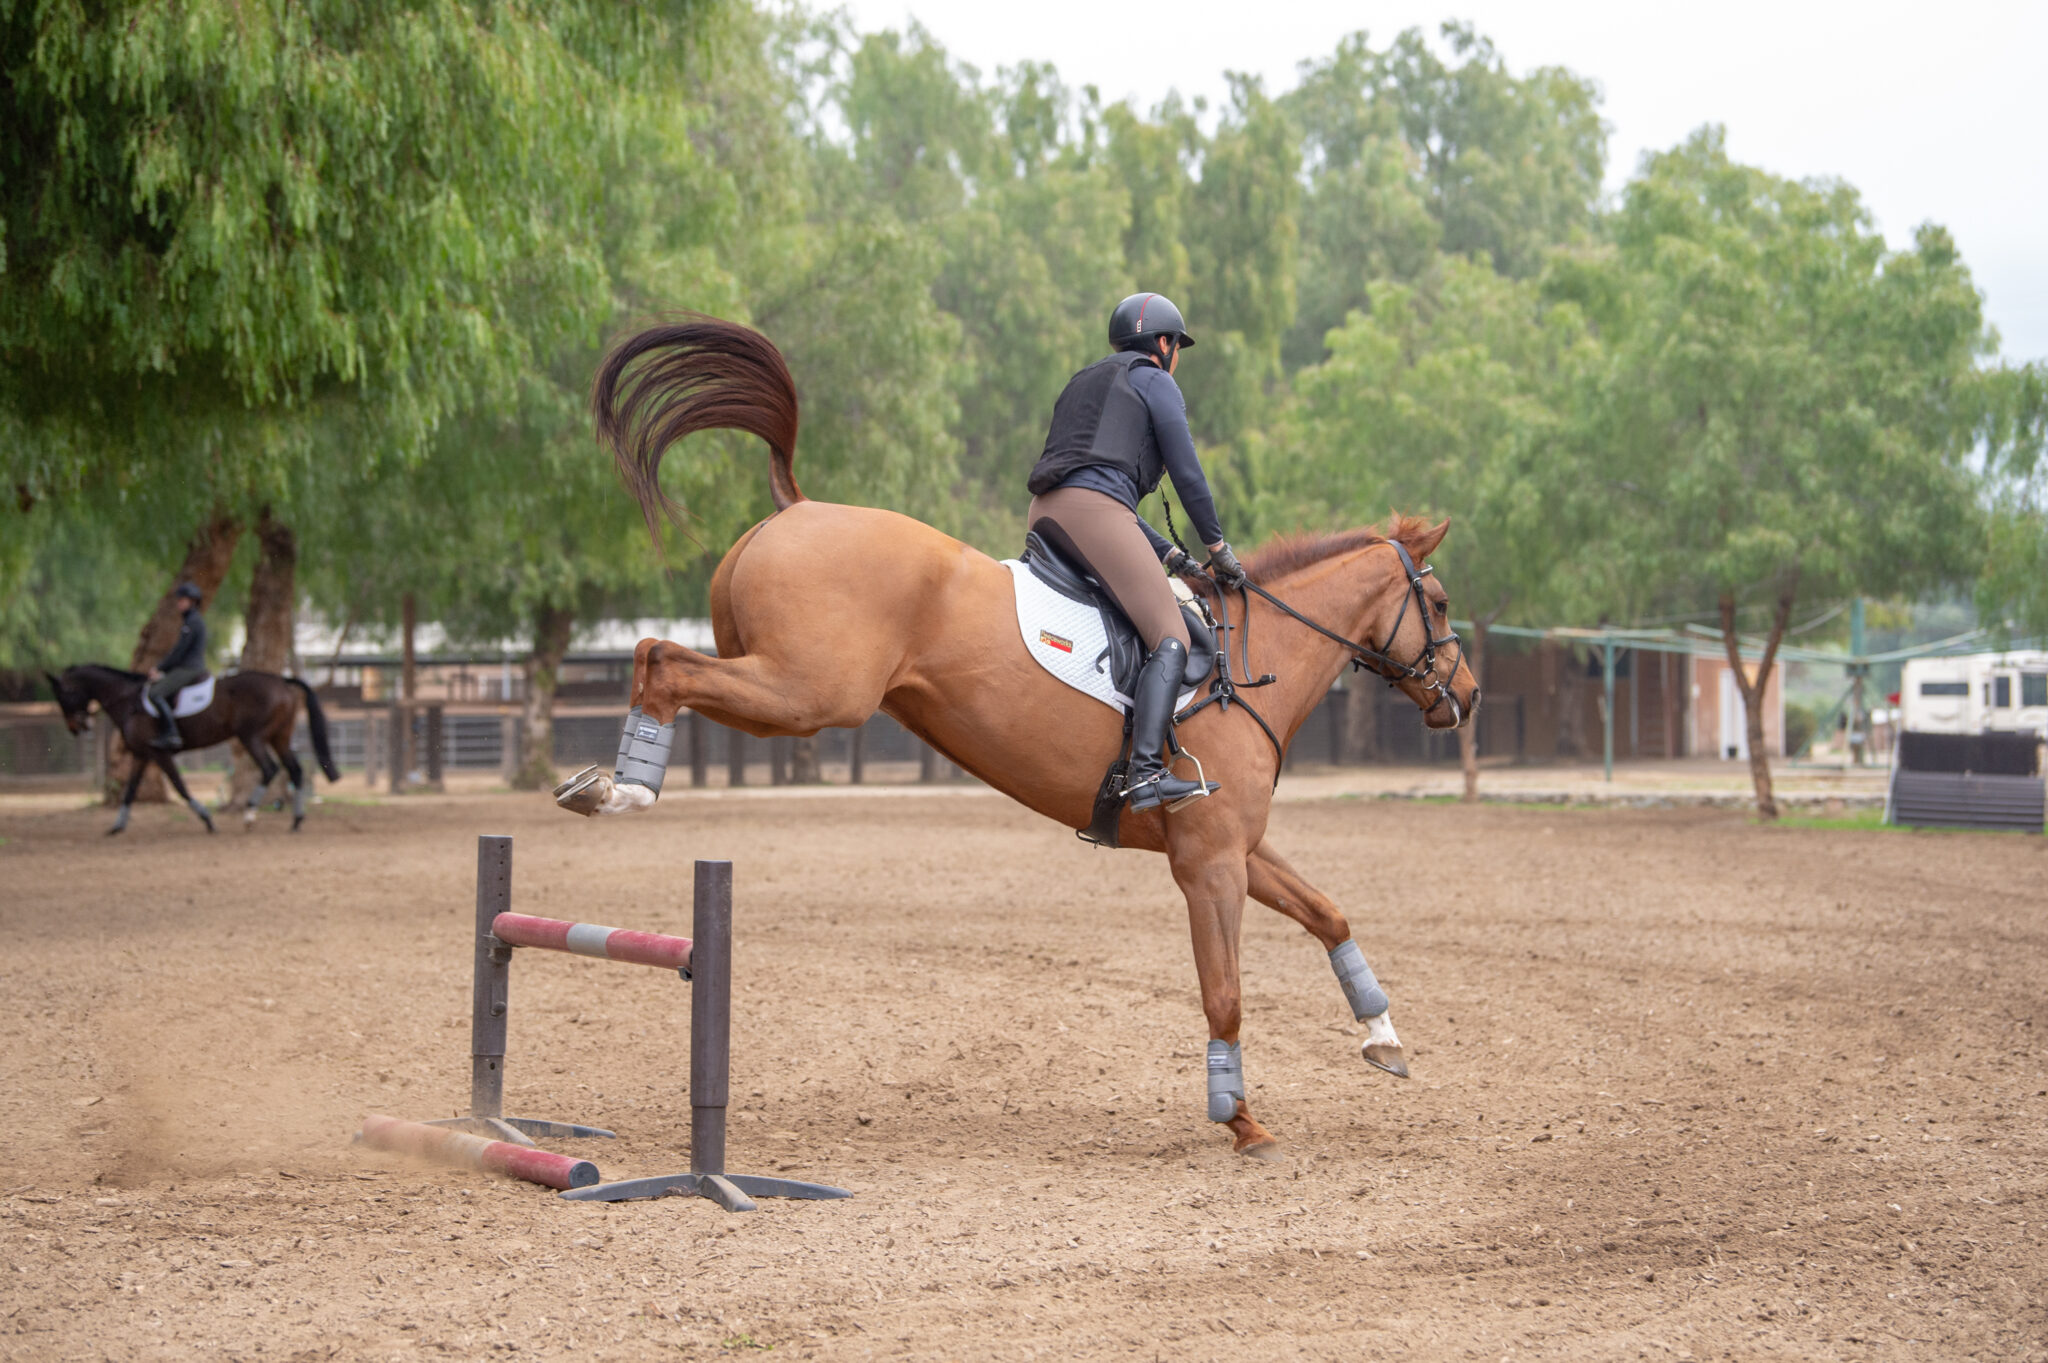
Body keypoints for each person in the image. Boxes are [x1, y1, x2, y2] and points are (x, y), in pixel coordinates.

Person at [1026, 292, 1246, 812]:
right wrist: (1217, 547)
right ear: (1164, 344)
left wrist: (1173, 556)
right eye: (1179, 347)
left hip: (1047, 512)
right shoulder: (1155, 380)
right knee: (1170, 636)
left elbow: (1101, 490)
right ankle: (1144, 773)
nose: (1178, 358)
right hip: (1094, 514)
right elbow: (1187, 473)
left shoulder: (1085, 381)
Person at [146, 582, 208, 749]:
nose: (179, 603)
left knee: (155, 693)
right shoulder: (191, 621)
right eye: (179, 600)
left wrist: (160, 668)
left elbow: (179, 652)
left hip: (189, 668)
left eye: (183, 600)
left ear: (193, 602)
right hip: (188, 666)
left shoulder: (192, 622)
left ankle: (172, 733)